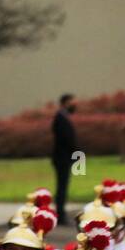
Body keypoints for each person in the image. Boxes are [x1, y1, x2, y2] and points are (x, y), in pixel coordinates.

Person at [51, 94, 79, 225]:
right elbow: (66, 139)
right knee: (62, 187)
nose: (75, 105)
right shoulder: (61, 118)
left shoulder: (63, 117)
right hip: (62, 158)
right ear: (65, 102)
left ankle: (61, 213)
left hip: (64, 158)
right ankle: (60, 215)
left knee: (63, 186)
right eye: (72, 102)